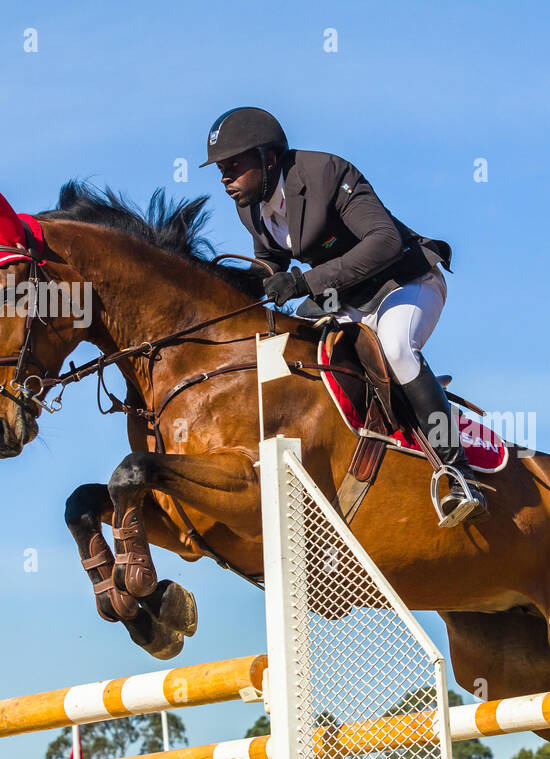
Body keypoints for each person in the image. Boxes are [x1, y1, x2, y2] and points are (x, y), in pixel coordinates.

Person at [202, 106, 486, 526]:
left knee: (397, 350)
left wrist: (303, 283)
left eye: (233, 166)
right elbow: (270, 266)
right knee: (290, 346)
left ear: (268, 158)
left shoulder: (326, 173)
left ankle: (457, 473)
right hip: (345, 301)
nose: (225, 178)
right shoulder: (251, 205)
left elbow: (385, 241)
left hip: (404, 283)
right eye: (221, 169)